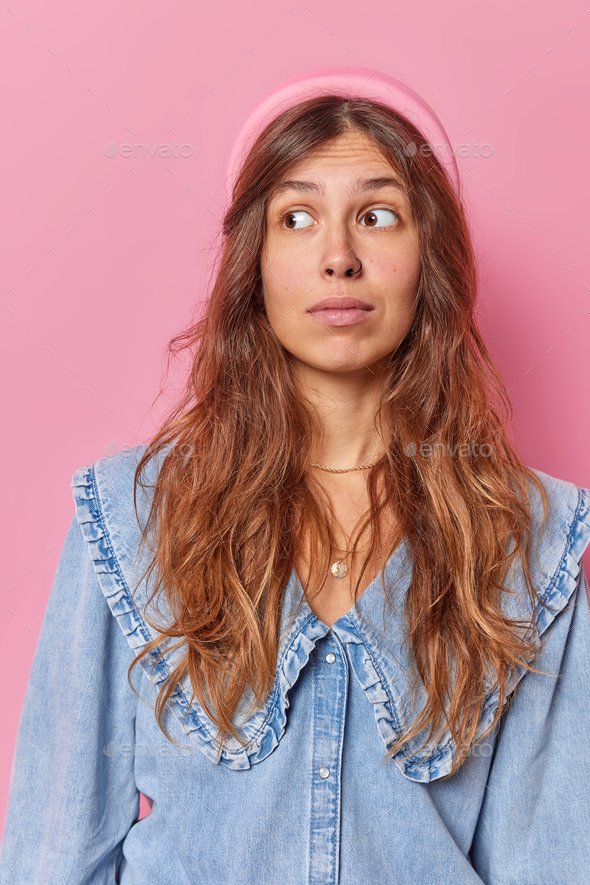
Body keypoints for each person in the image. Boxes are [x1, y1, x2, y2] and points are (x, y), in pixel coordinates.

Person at [1, 66, 589, 885]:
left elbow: (549, 862)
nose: (338, 257)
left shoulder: (530, 536)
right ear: (256, 260)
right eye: (297, 217)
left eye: (378, 216)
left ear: (430, 257)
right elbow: (51, 854)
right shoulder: (133, 513)